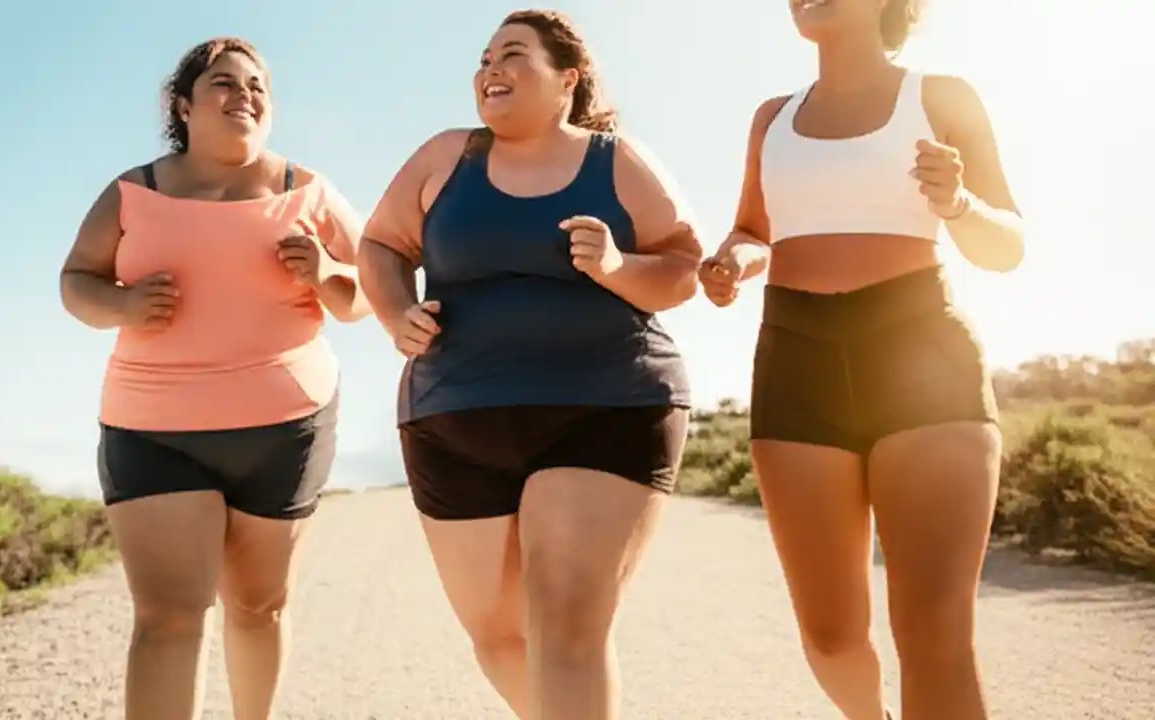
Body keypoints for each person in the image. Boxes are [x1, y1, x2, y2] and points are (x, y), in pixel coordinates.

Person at [356, 9, 700, 720]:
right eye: (483, 59)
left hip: (605, 405)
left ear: (567, 78)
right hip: (452, 416)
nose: (489, 70)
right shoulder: (447, 155)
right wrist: (396, 314)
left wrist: (614, 264)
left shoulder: (616, 159)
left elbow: (682, 265)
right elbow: (382, 245)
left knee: (566, 623)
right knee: (498, 635)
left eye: (512, 54)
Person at [698, 2, 1024, 719]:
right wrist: (732, 261)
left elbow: (1007, 245)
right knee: (830, 638)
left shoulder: (940, 96)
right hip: (795, 359)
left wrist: (959, 202)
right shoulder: (771, 118)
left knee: (934, 633)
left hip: (919, 353)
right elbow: (755, 229)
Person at [59, 37, 368, 720]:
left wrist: (326, 273)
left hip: (285, 427)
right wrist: (122, 304)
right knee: (169, 616)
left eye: (257, 86)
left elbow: (370, 291)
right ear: (184, 105)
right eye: (224, 84)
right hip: (154, 429)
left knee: (259, 607)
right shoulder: (132, 192)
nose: (245, 96)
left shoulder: (306, 190)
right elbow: (75, 281)